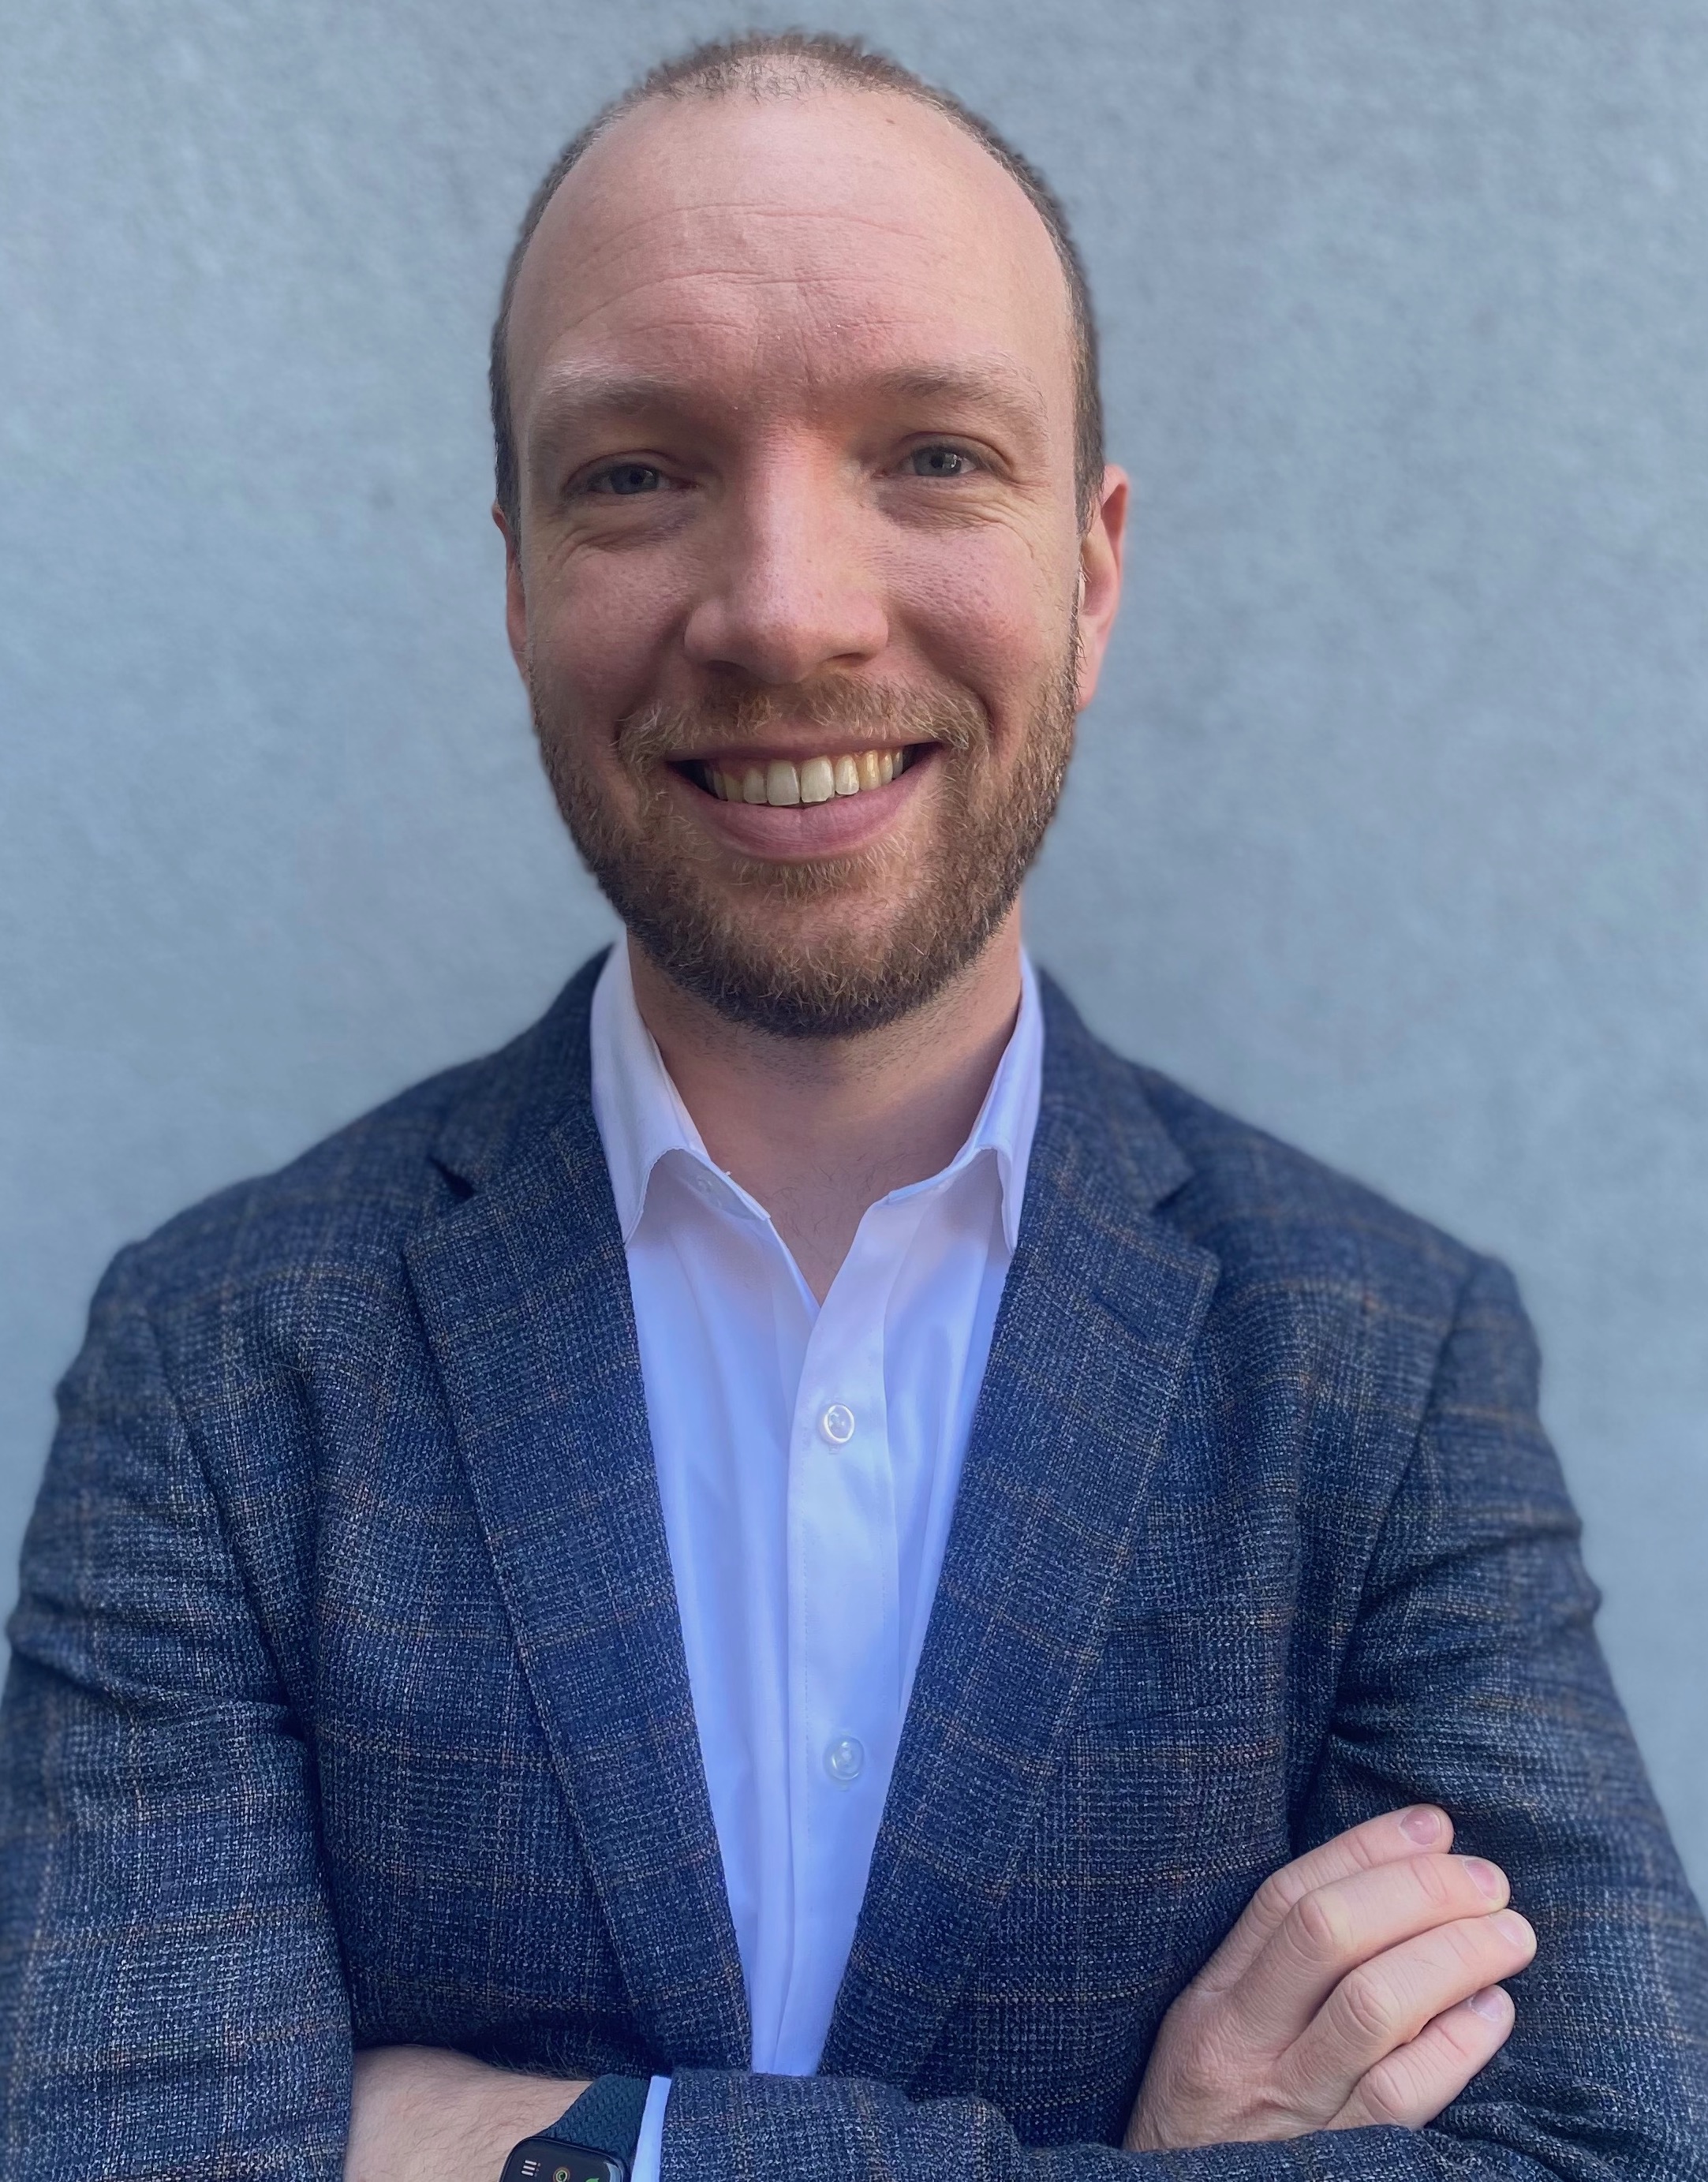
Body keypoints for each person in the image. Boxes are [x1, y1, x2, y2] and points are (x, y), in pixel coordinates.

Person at [2, 29, 1703, 2182]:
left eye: (933, 456)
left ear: (1092, 570)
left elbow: (1617, 2150)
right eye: (640, 472)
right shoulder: (221, 1364)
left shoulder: (1386, 1365)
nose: (790, 611)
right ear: (518, 580)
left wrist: (569, 2149)